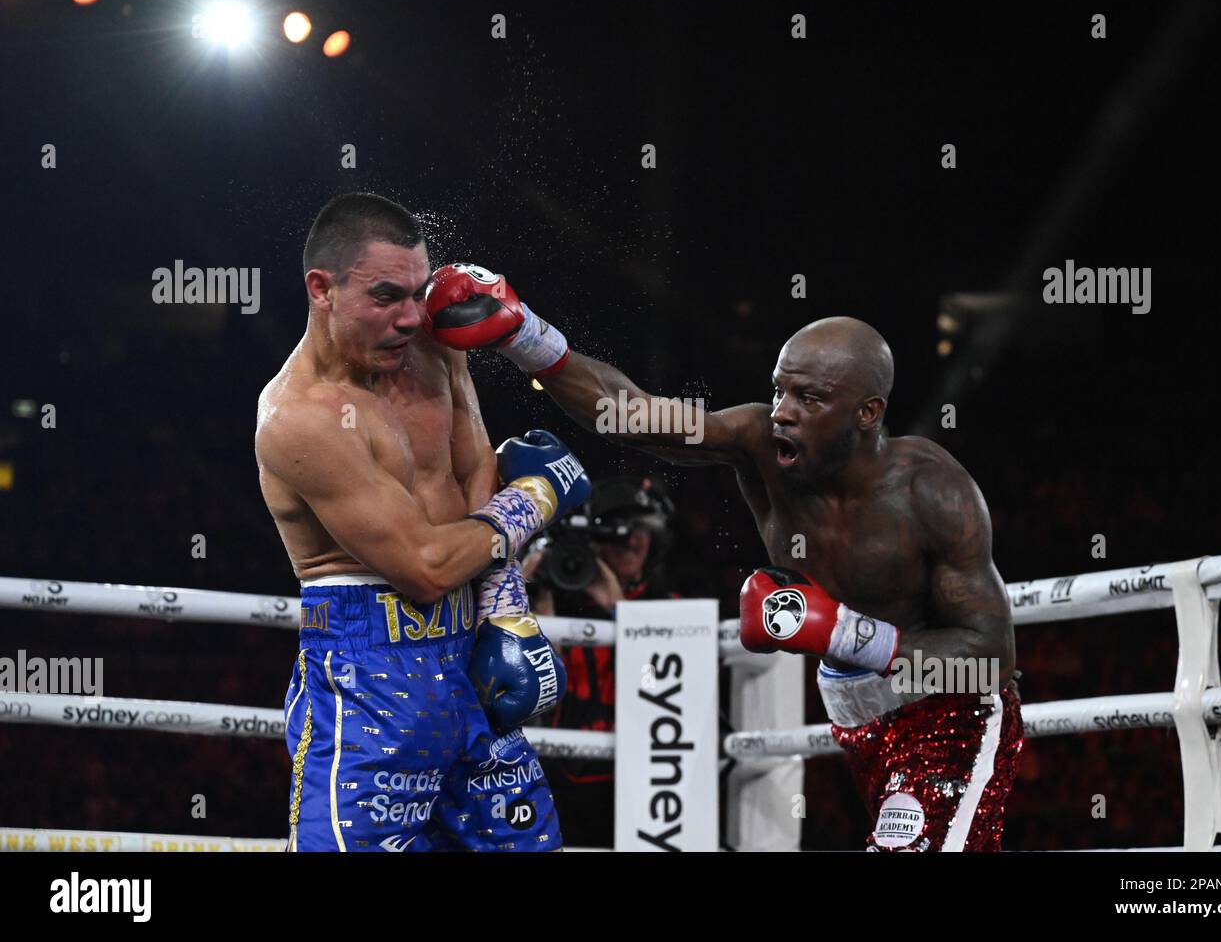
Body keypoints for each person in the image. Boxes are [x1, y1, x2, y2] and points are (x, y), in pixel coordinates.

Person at [423, 264, 1022, 852]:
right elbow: (632, 414)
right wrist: (523, 333)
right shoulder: (760, 442)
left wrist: (840, 631)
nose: (783, 410)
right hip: (857, 719)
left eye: (809, 398)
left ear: (867, 413)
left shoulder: (932, 491)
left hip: (948, 716)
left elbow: (991, 658)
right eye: (779, 389)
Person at [253, 196, 590, 851]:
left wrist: (504, 604)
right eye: (386, 297)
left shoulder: (434, 342)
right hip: (366, 684)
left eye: (416, 292)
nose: (411, 316)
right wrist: (538, 501)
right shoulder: (299, 420)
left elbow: (475, 473)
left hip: (467, 659)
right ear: (321, 289)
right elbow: (427, 569)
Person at [522, 475, 679, 848]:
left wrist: (614, 603)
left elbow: (661, 685)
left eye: (638, 531)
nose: (631, 542)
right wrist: (525, 589)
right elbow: (537, 686)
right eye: (618, 534)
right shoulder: (561, 600)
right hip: (555, 774)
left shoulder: (670, 607)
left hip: (639, 779)